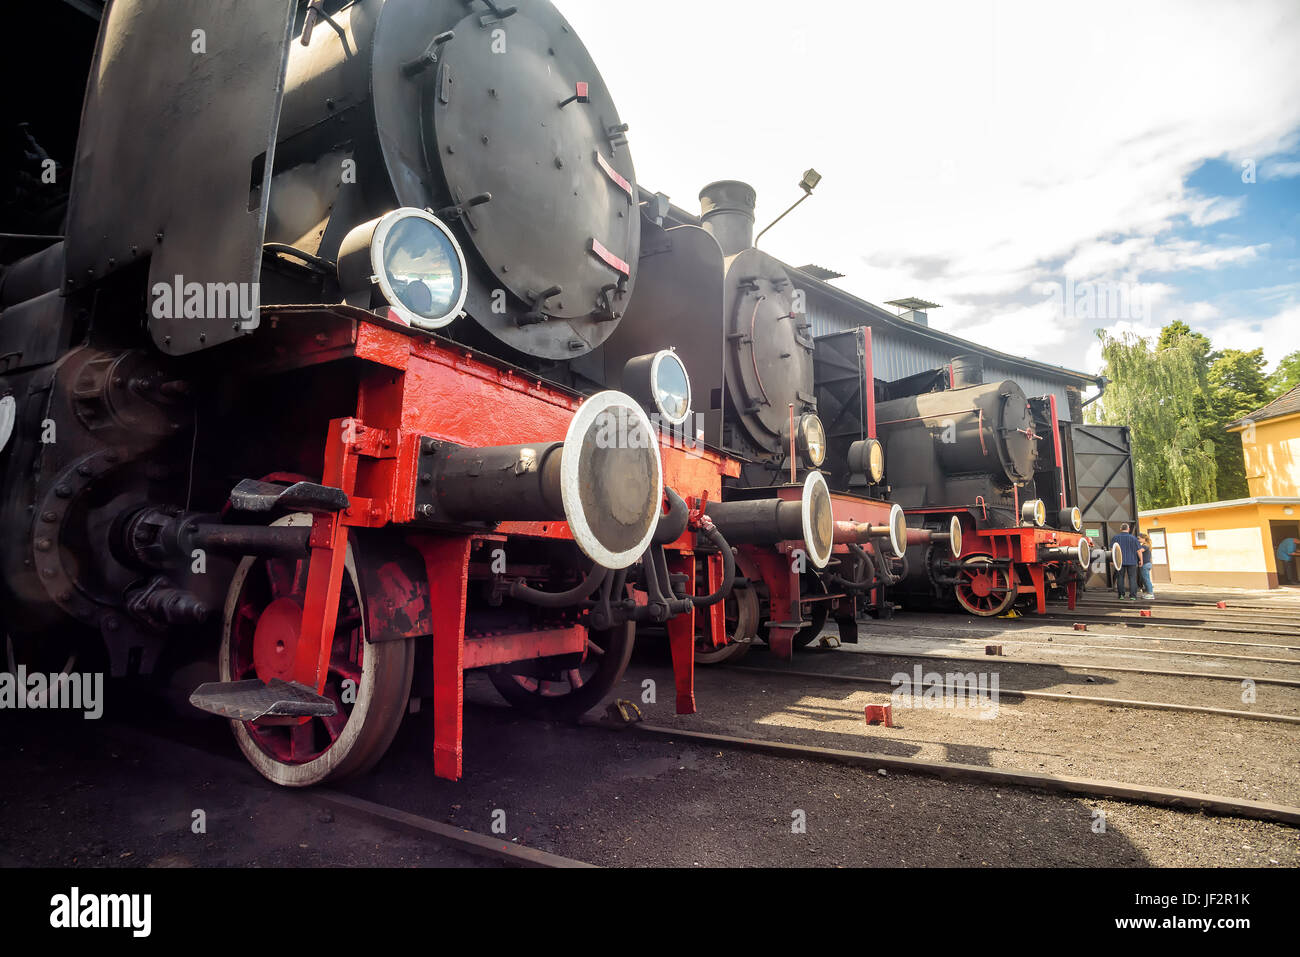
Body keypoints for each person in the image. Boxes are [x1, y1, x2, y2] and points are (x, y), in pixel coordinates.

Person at [1112, 523, 1142, 600]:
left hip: (1119, 561)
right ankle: (1133, 596)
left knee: (1120, 578)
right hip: (1132, 561)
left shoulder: (1115, 538)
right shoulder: (1133, 538)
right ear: (1128, 529)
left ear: (1120, 529)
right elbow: (1139, 551)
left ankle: (1121, 595)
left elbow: (1112, 550)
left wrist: (1113, 560)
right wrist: (1141, 560)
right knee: (1132, 578)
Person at [1138, 533, 1156, 600]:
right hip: (1148, 564)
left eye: (1139, 538)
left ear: (1143, 539)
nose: (1138, 540)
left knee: (1146, 579)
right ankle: (1148, 593)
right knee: (1146, 579)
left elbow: (1139, 551)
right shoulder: (1147, 545)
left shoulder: (1145, 546)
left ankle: (1151, 594)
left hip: (1145, 564)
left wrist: (1141, 560)